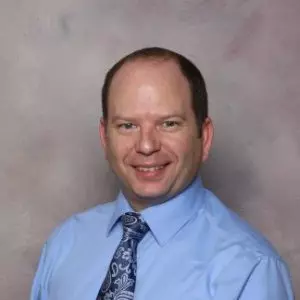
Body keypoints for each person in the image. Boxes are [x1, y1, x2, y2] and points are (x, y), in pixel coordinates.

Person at [30, 47, 294, 300]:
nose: (146, 145)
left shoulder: (250, 270)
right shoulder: (65, 244)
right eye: (127, 125)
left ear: (205, 137)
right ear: (105, 137)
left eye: (169, 124)